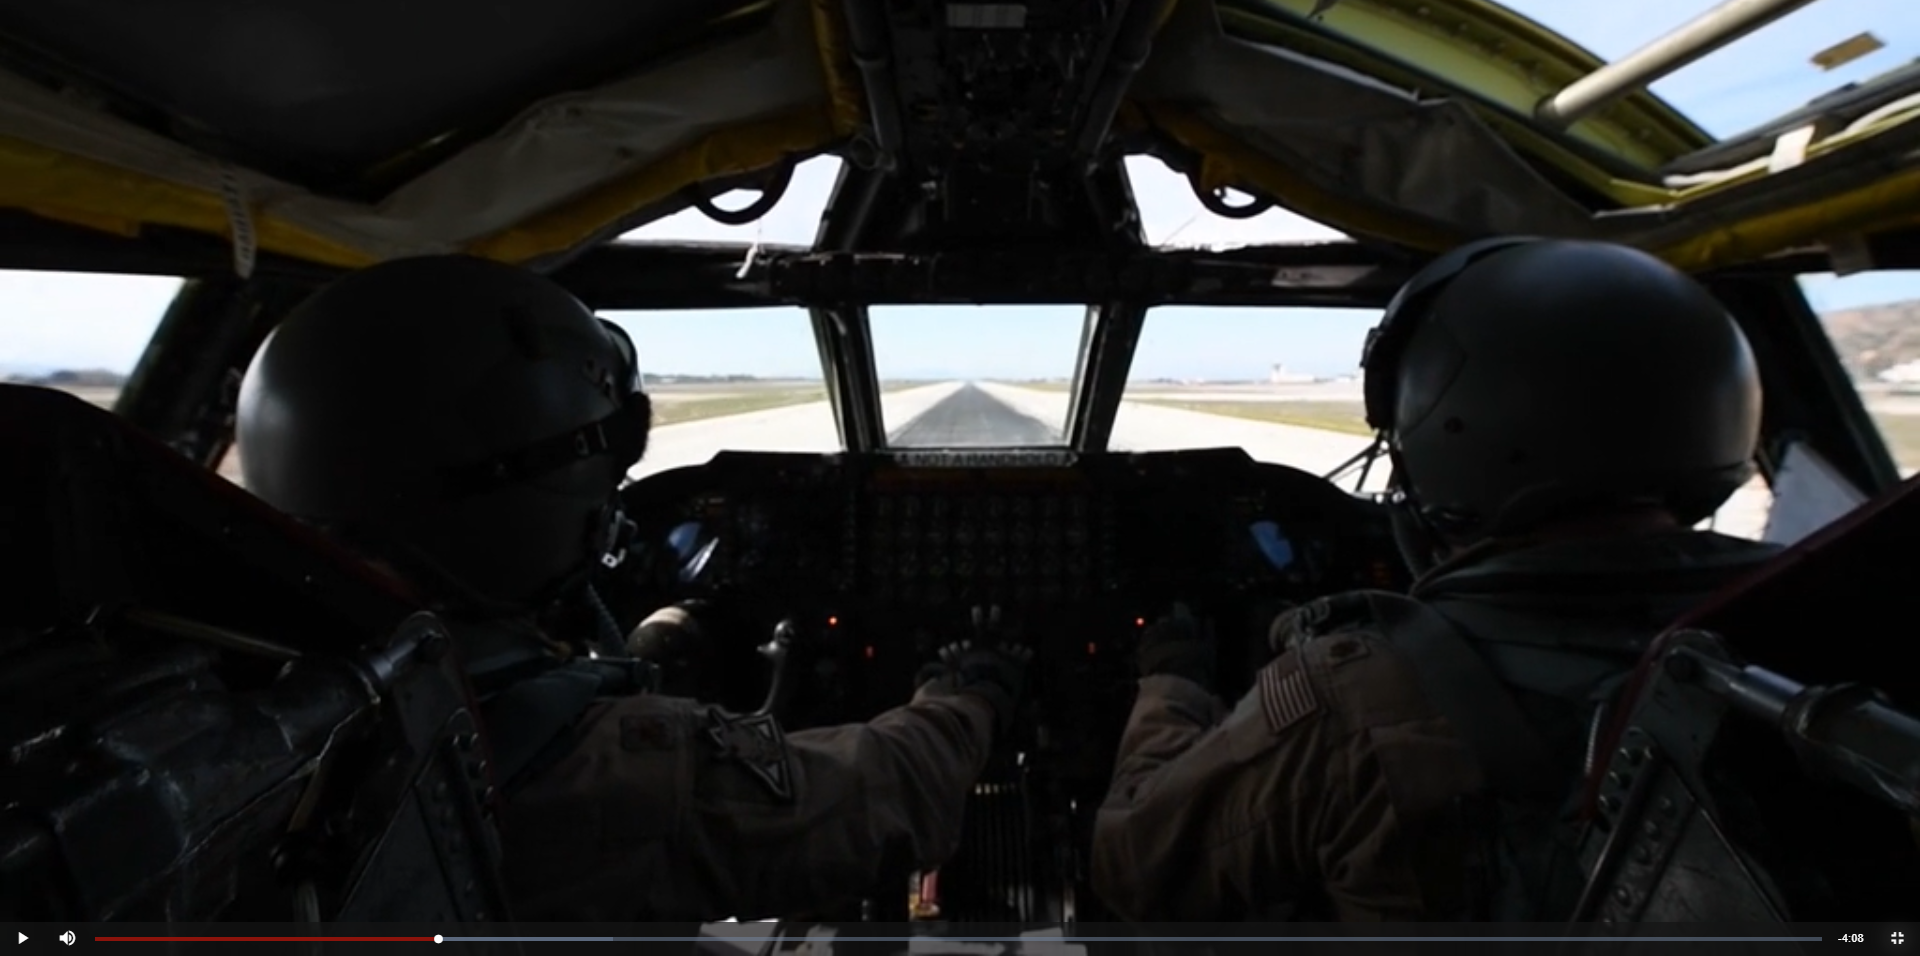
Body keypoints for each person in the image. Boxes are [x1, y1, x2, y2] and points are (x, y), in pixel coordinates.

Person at [234, 253, 1028, 920]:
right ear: (534, 491)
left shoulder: (238, 673)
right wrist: (969, 695)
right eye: (605, 482)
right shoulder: (573, 765)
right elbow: (880, 795)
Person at [1089, 237, 1778, 921]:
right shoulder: (1822, 618)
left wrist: (1171, 681)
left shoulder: (1361, 692)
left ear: (1451, 427)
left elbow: (1131, 867)